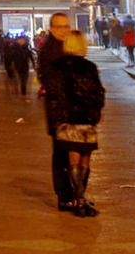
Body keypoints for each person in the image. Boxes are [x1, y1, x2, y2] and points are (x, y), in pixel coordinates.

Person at [47, 32, 106, 216]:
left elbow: (55, 95)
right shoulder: (89, 67)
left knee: (72, 160)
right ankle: (82, 199)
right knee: (85, 160)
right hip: (86, 119)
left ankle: (78, 200)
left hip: (68, 120)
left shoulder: (58, 67)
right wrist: (95, 111)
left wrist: (57, 118)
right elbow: (99, 93)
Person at [37, 12, 78, 211]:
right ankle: (64, 196)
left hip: (67, 110)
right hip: (59, 111)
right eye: (60, 27)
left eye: (66, 26)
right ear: (52, 29)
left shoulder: (66, 48)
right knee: (61, 154)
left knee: (69, 152)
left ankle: (72, 193)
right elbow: (53, 83)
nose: (64, 30)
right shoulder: (50, 51)